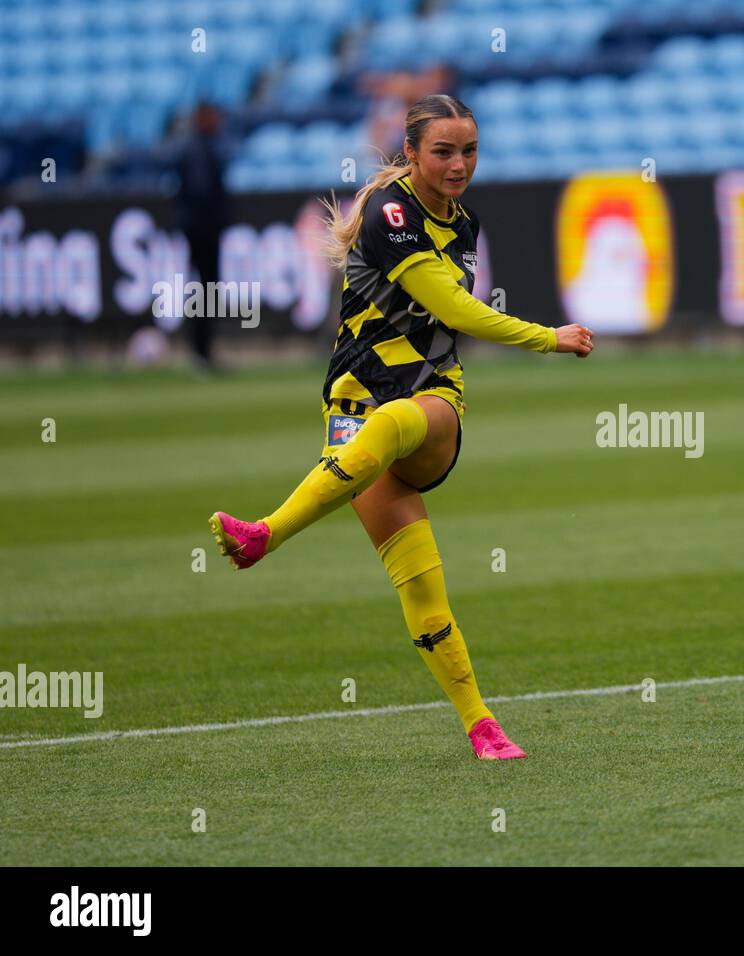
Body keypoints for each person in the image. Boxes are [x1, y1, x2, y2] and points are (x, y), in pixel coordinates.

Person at [208, 94, 595, 760]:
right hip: (351, 409)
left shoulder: (463, 224)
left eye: (469, 150)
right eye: (443, 151)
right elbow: (455, 306)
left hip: (431, 403)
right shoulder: (392, 217)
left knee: (391, 423)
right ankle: (482, 726)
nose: (459, 164)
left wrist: (541, 340)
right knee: (419, 583)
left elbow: (451, 318)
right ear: (410, 153)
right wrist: (548, 337)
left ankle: (265, 534)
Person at [174, 102, 230, 370]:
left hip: (200, 231)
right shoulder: (200, 151)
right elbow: (201, 193)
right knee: (205, 290)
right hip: (203, 232)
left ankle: (203, 351)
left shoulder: (200, 148)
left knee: (204, 290)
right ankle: (201, 352)